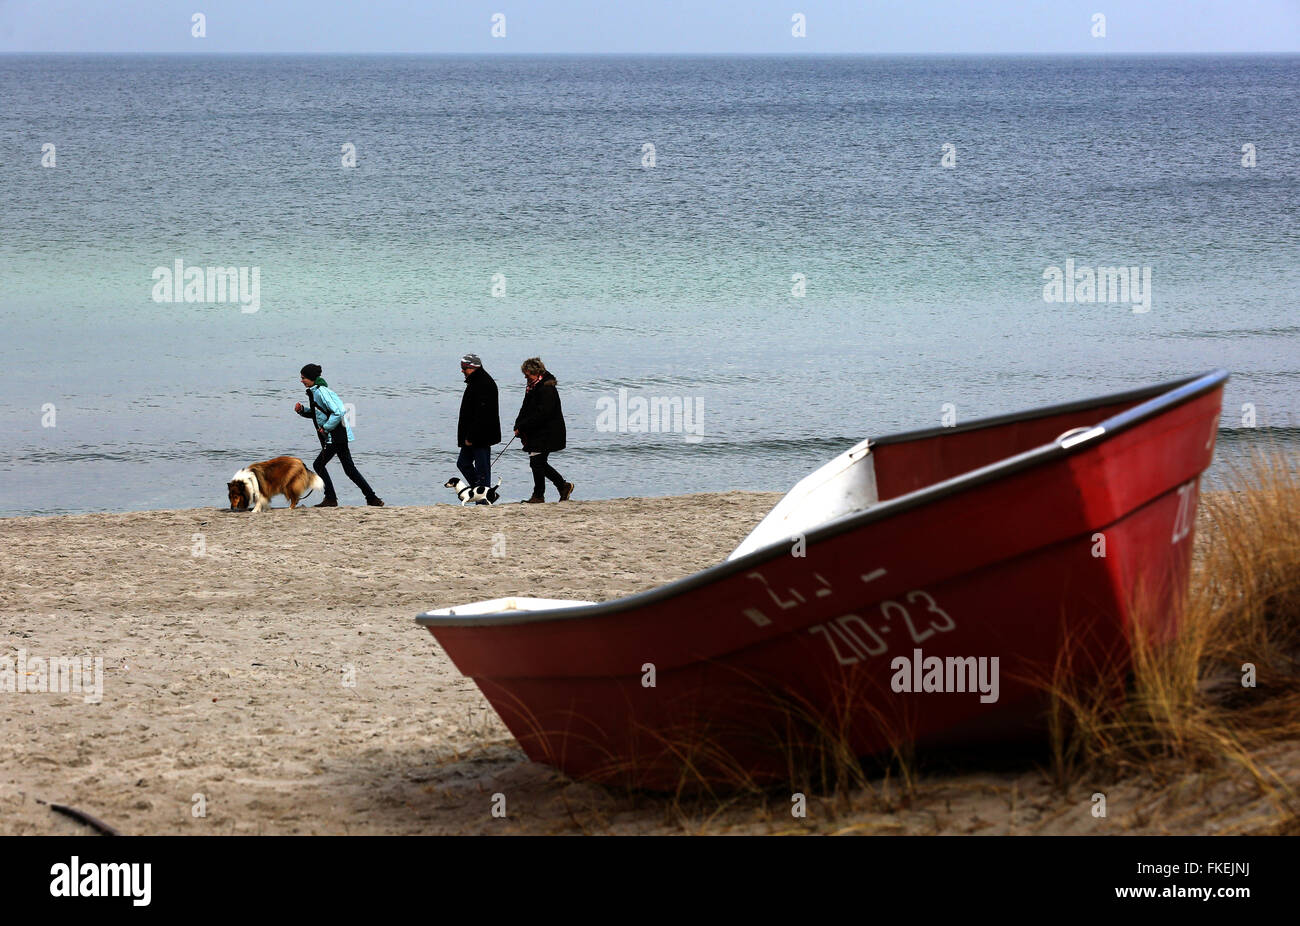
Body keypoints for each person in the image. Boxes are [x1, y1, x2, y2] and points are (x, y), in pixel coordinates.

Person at [293, 363, 384, 508]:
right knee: (350, 470)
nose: (301, 380)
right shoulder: (315, 391)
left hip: (335, 436)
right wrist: (302, 410)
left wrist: (326, 428)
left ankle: (330, 498)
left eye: (303, 377)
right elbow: (319, 414)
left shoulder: (321, 392)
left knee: (318, 464)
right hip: (338, 435)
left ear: (311, 378)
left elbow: (339, 412)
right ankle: (372, 499)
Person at [513, 357, 574, 503]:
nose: (525, 377)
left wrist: (523, 426)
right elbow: (525, 408)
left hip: (547, 432)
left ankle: (540, 495)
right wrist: (518, 425)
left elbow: (542, 414)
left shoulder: (546, 388)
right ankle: (562, 486)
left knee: (537, 463)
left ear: (536, 372)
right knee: (539, 463)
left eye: (527, 374)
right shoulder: (533, 386)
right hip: (537, 430)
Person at [456, 353, 501, 492]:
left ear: (473, 367)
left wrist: (471, 437)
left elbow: (483, 414)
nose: (462, 370)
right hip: (474, 434)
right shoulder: (475, 381)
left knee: (482, 469)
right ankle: (482, 493)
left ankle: (483, 496)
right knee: (463, 463)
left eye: (464, 368)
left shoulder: (484, 383)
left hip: (480, 435)